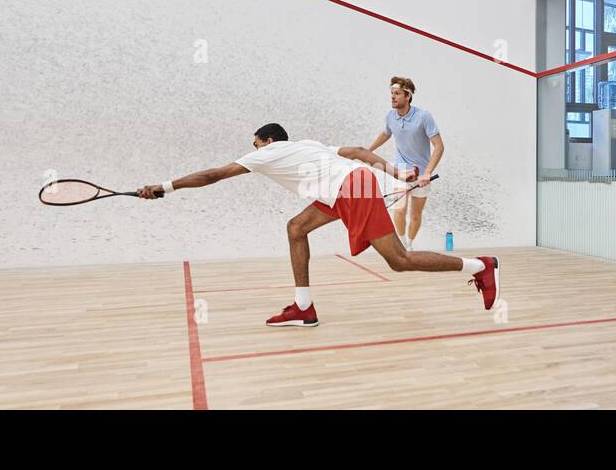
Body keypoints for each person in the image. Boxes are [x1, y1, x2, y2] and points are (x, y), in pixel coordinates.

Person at [137, 123, 498, 327]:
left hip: (351, 190)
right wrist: (396, 171)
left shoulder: (267, 152)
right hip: (345, 190)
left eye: (256, 143)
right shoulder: (308, 144)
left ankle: (481, 266)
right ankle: (303, 307)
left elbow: (214, 174)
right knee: (296, 228)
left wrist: (164, 186)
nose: (254, 149)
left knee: (398, 260)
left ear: (267, 141)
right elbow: (357, 150)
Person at [366, 77, 445, 251]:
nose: (393, 97)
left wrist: (427, 172)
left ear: (408, 96)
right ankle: (402, 245)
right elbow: (386, 133)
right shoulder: (390, 116)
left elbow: (439, 146)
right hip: (401, 170)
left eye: (397, 94)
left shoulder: (424, 116)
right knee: (399, 210)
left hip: (423, 172)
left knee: (415, 215)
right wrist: (367, 151)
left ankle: (409, 243)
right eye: (392, 93)